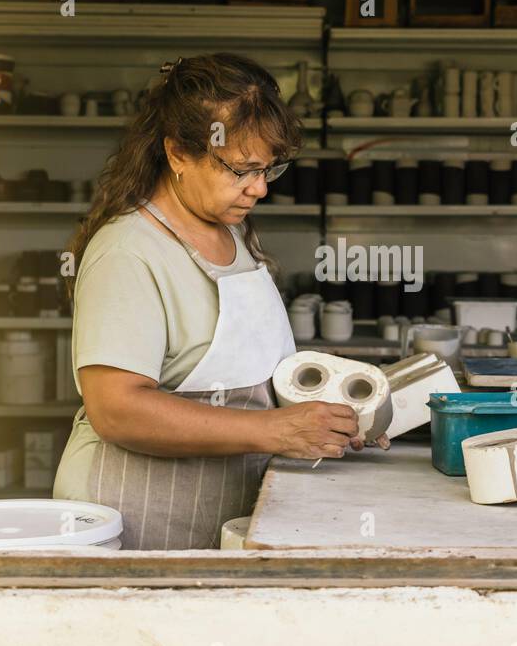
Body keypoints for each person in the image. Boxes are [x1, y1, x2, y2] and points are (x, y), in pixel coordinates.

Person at [54, 53, 382, 550]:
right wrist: (275, 430)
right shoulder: (129, 252)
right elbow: (117, 410)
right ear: (179, 153)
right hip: (137, 520)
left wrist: (327, 414)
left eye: (270, 169)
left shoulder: (234, 232)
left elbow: (254, 374)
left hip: (221, 516)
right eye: (242, 169)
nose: (260, 188)